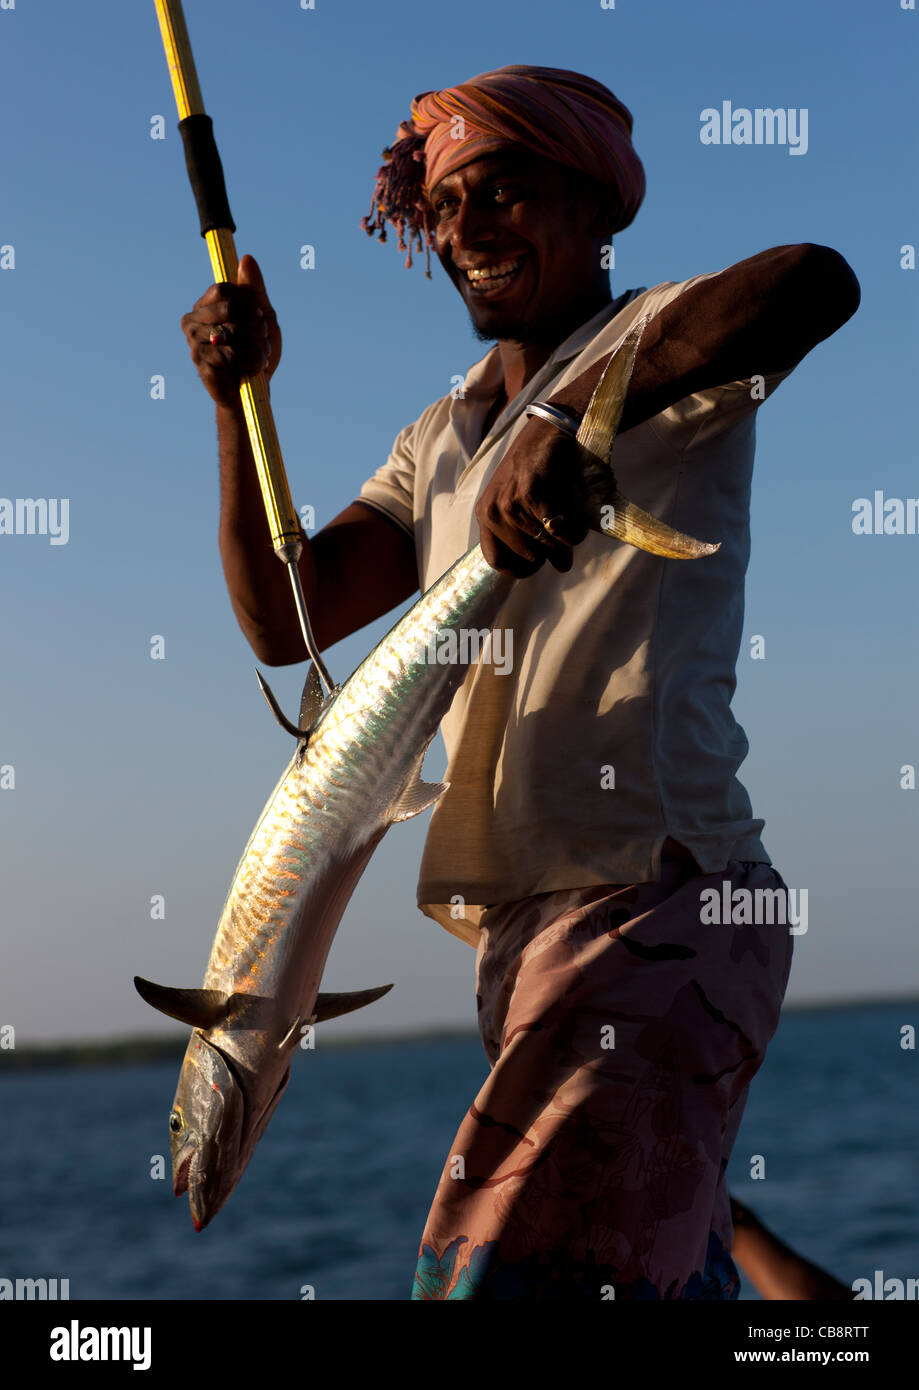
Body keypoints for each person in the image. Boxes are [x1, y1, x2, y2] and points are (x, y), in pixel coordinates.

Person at [180, 65, 859, 1300]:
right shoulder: (438, 439)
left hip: (654, 898)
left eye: (506, 192)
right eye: (446, 207)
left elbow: (816, 279)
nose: (469, 229)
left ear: (599, 212)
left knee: (493, 1284)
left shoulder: (662, 335)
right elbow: (289, 619)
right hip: (527, 936)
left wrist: (575, 417)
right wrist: (239, 406)